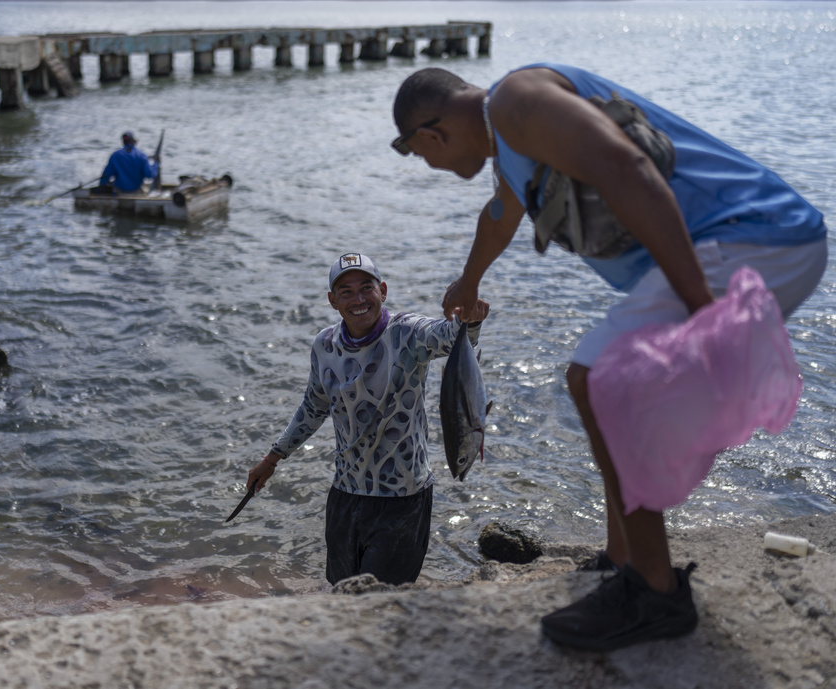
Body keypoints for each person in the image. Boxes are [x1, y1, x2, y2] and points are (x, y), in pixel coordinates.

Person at [391, 64, 827, 650]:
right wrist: (468, 282)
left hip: (750, 235)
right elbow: (500, 216)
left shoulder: (519, 101)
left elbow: (628, 168)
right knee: (594, 381)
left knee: (597, 380)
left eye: (419, 155)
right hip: (756, 238)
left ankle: (654, 592)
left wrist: (702, 307)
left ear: (430, 135)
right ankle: (624, 562)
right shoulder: (511, 144)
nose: (430, 166)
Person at [245, 252, 490, 586]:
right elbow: (314, 407)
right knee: (342, 593)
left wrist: (470, 321)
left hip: (404, 498)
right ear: (332, 300)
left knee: (380, 602)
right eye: (345, 291)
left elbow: (449, 336)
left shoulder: (408, 334)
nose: (358, 299)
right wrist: (273, 458)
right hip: (346, 494)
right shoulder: (324, 345)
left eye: (366, 288)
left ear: (383, 291)